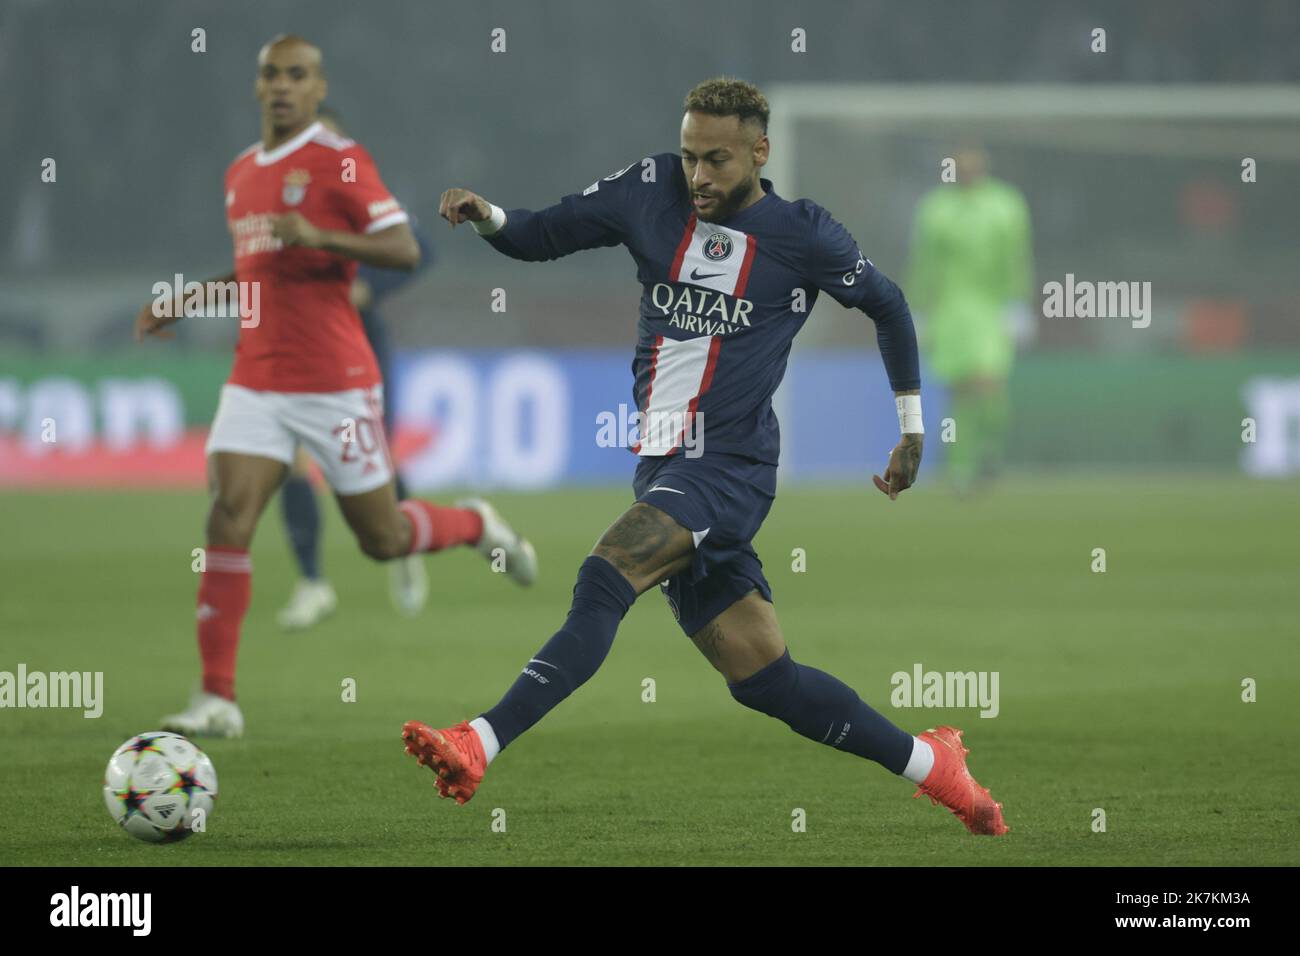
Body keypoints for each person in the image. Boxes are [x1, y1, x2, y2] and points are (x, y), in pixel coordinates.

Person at [403, 78, 1007, 835]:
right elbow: (546, 232)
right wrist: (488, 215)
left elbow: (887, 304)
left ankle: (479, 740)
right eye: (690, 156)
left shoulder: (804, 234)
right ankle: (934, 764)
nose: (699, 176)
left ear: (760, 151)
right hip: (662, 466)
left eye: (717, 159)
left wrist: (913, 429)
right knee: (767, 681)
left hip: (729, 467)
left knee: (606, 572)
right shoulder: (650, 190)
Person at [133, 35, 536, 738]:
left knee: (381, 539)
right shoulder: (239, 173)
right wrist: (184, 299)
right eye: (271, 75)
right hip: (257, 377)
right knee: (228, 516)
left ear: (318, 90)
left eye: (298, 75)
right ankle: (215, 697)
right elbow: (257, 271)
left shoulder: (340, 160)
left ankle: (474, 522)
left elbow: (406, 249)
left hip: (336, 384)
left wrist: (320, 237)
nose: (283, 86)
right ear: (257, 87)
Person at [275, 106, 434, 628]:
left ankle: (406, 548)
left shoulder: (359, 189)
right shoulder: (282, 197)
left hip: (357, 347)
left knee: (377, 463)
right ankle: (312, 583)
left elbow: (421, 247)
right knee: (293, 459)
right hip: (299, 347)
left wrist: (372, 287)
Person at [907, 146, 1034, 493]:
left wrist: (1018, 304)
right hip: (949, 311)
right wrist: (917, 310)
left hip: (991, 309)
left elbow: (1017, 257)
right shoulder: (935, 209)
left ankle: (989, 450)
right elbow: (924, 263)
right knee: (959, 392)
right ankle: (961, 469)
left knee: (989, 384)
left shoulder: (1006, 205)